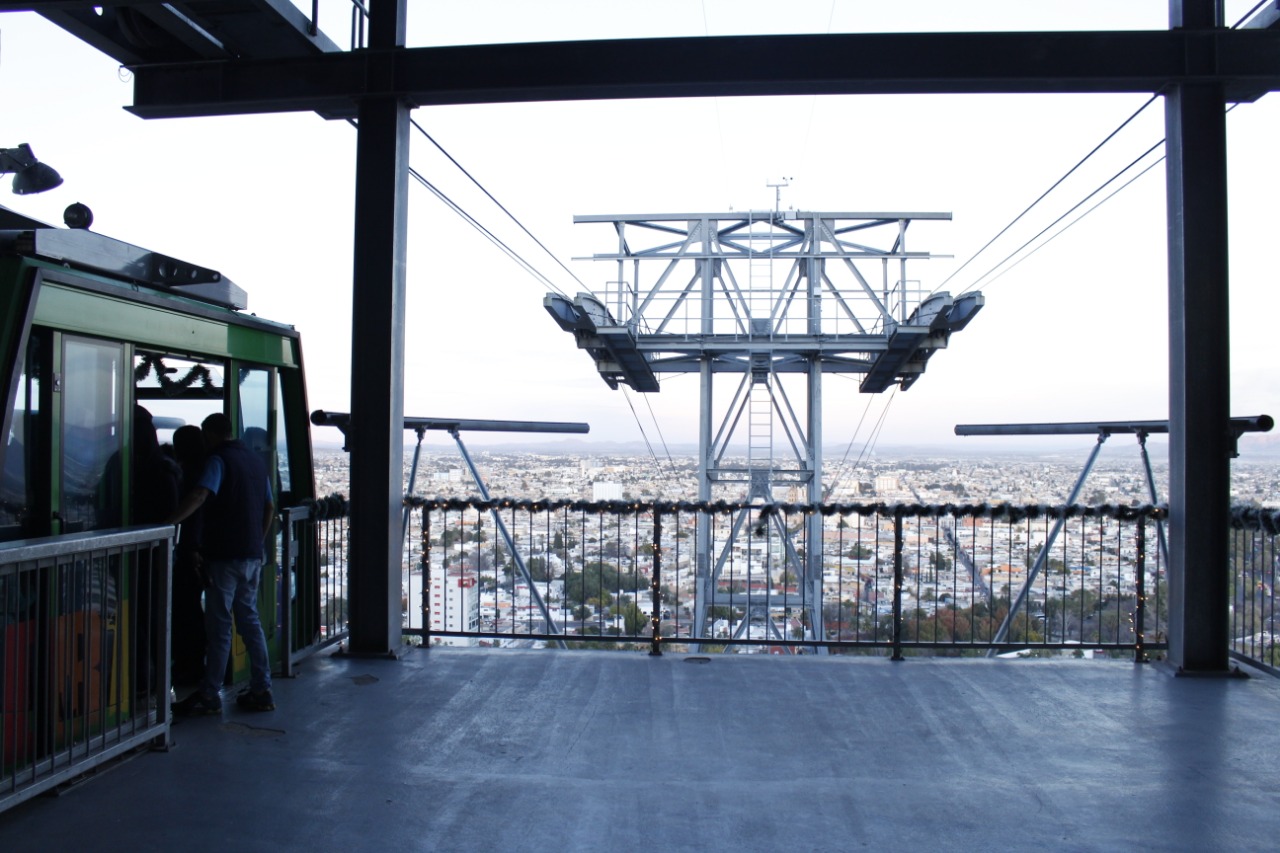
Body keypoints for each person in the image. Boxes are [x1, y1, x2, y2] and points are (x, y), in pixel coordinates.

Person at [168, 412, 276, 715]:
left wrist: (168, 523)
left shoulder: (218, 460)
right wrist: (257, 540)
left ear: (209, 434)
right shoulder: (256, 462)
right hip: (251, 556)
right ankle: (262, 687)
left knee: (219, 626)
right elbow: (269, 506)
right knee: (250, 621)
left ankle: (210, 692)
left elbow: (201, 494)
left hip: (224, 556)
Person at [169, 424, 208, 685]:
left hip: (188, 549)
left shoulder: (188, 475)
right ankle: (195, 664)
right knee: (192, 608)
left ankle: (189, 665)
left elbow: (193, 515)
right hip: (200, 548)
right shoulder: (208, 470)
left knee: (186, 609)